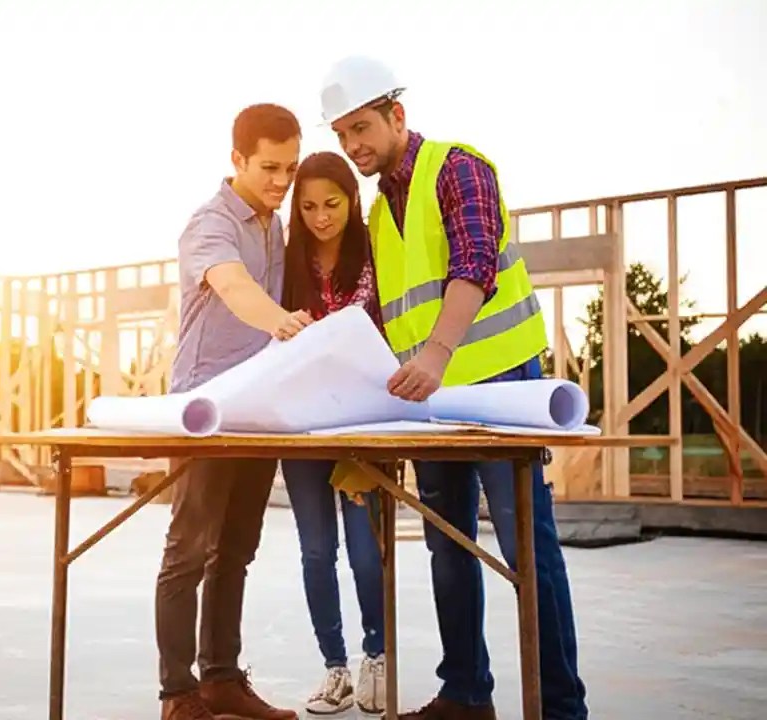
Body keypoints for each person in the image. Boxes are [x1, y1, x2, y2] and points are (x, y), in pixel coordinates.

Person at [317, 55, 590, 720]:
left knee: (528, 546)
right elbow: (376, 313)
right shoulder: (380, 214)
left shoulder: (458, 167)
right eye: (342, 134)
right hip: (433, 401)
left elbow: (474, 263)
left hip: (502, 387)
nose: (354, 146)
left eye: (362, 128)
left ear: (395, 115)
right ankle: (466, 693)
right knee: (447, 542)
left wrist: (438, 352)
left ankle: (560, 707)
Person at [157, 102, 309, 720]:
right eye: (269, 167)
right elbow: (233, 285)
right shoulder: (209, 223)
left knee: (238, 548)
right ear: (237, 159)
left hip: (257, 404)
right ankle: (177, 692)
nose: (281, 181)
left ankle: (221, 679)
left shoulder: (275, 224)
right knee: (189, 548)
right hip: (205, 405)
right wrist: (282, 323)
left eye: (291, 168)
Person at [279, 151, 387, 716]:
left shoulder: (375, 251)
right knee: (316, 550)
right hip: (301, 425)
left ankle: (378, 659)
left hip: (363, 423)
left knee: (365, 550)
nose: (321, 217)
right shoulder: (286, 261)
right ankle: (335, 669)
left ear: (352, 200)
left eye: (333, 204)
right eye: (309, 207)